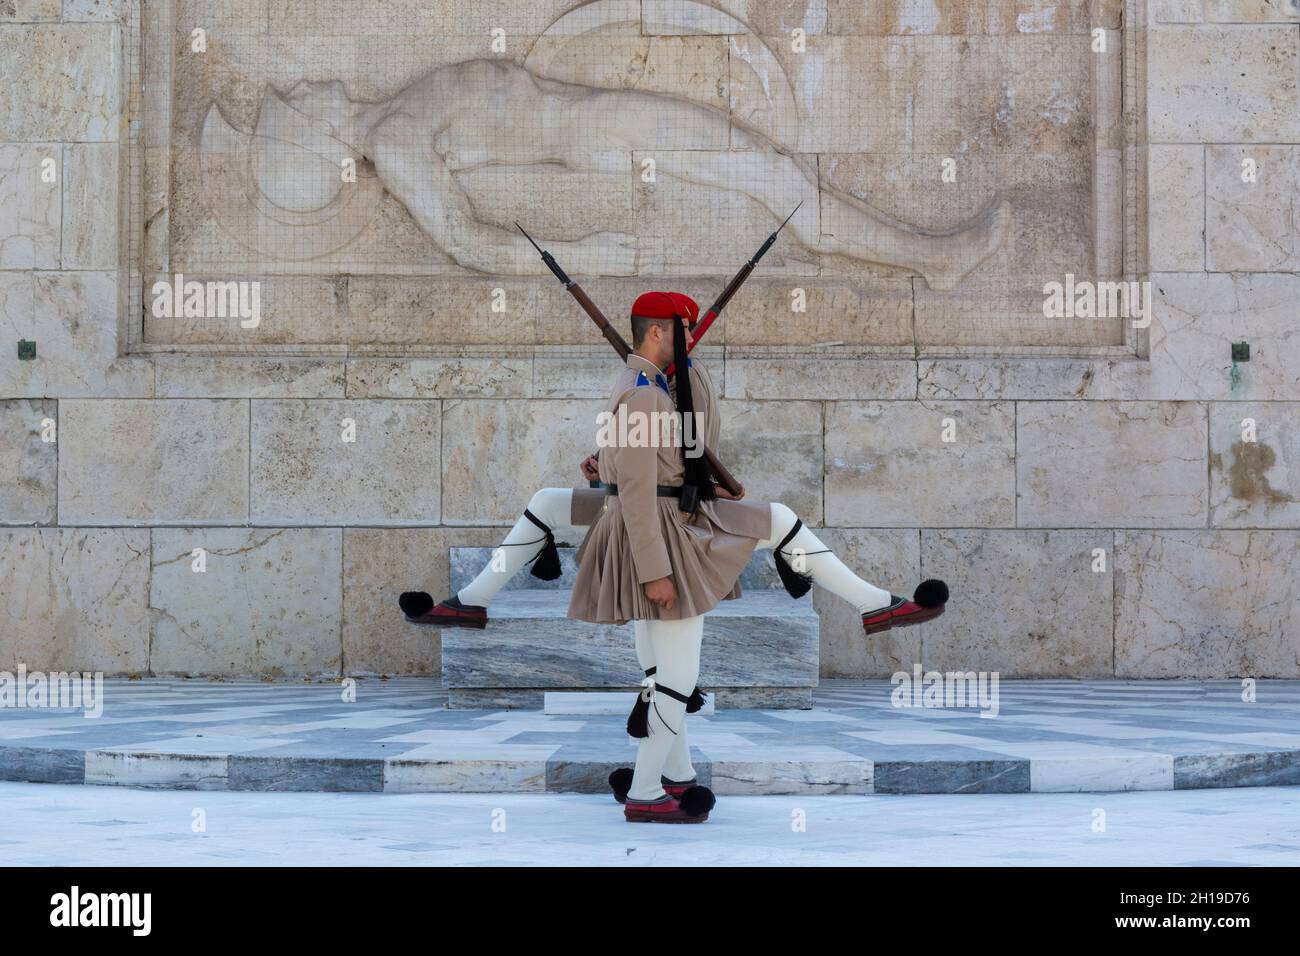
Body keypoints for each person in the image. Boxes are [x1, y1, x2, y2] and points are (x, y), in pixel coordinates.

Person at [566, 292, 948, 823]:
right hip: (659, 536)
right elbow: (633, 490)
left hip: (667, 518)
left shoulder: (642, 386)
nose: (690, 341)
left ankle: (673, 779)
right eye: (683, 331)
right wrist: (656, 573)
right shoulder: (644, 396)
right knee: (675, 677)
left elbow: (631, 464)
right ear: (657, 332)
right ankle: (646, 794)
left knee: (668, 667)